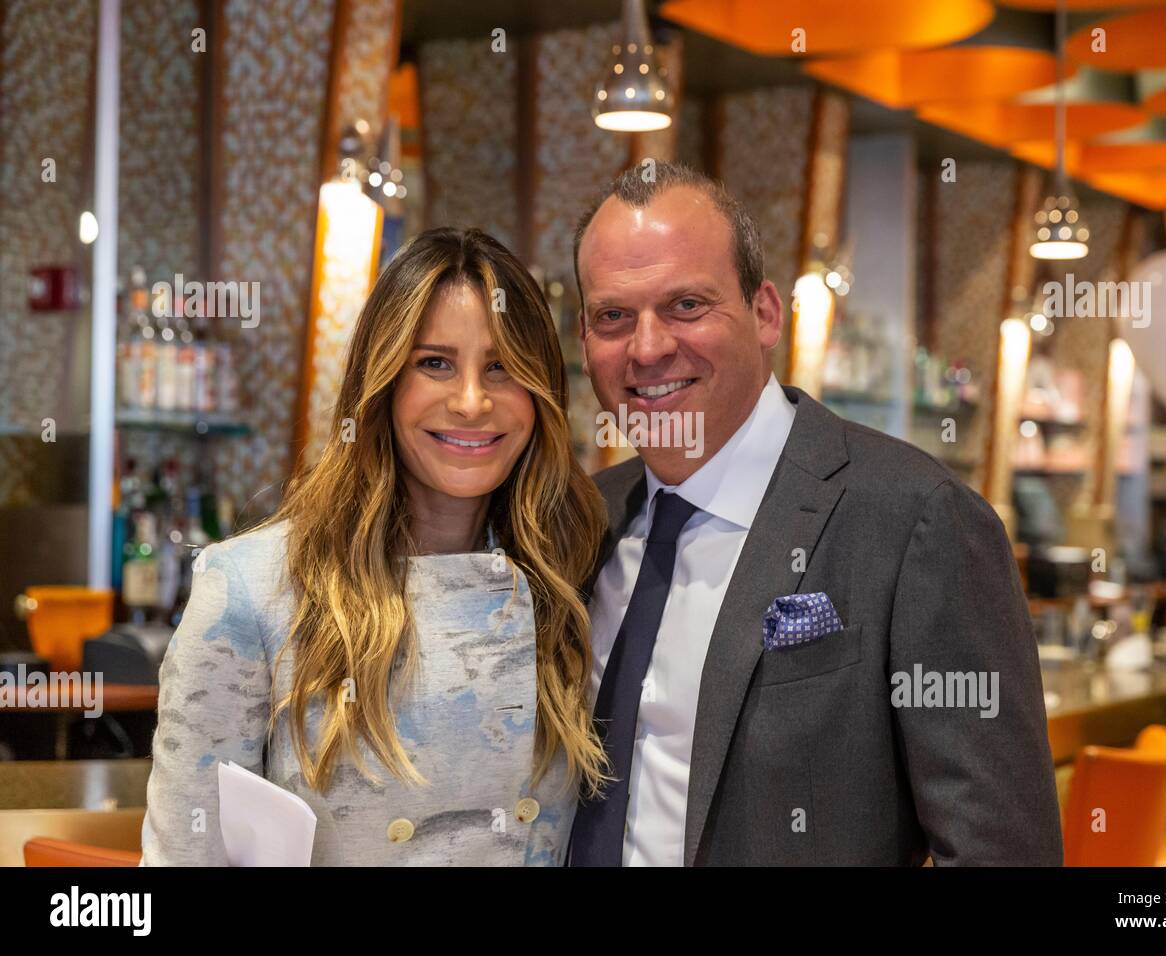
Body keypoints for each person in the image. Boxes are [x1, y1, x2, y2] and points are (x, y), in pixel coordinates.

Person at [566, 162, 1062, 866]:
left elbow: (1001, 852)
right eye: (613, 316)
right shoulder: (581, 520)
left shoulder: (915, 518)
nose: (647, 349)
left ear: (766, 313)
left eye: (686, 306)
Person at [141, 228, 608, 865]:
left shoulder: (572, 577)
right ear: (381, 384)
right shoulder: (252, 591)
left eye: (501, 367)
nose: (471, 401)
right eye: (434, 363)